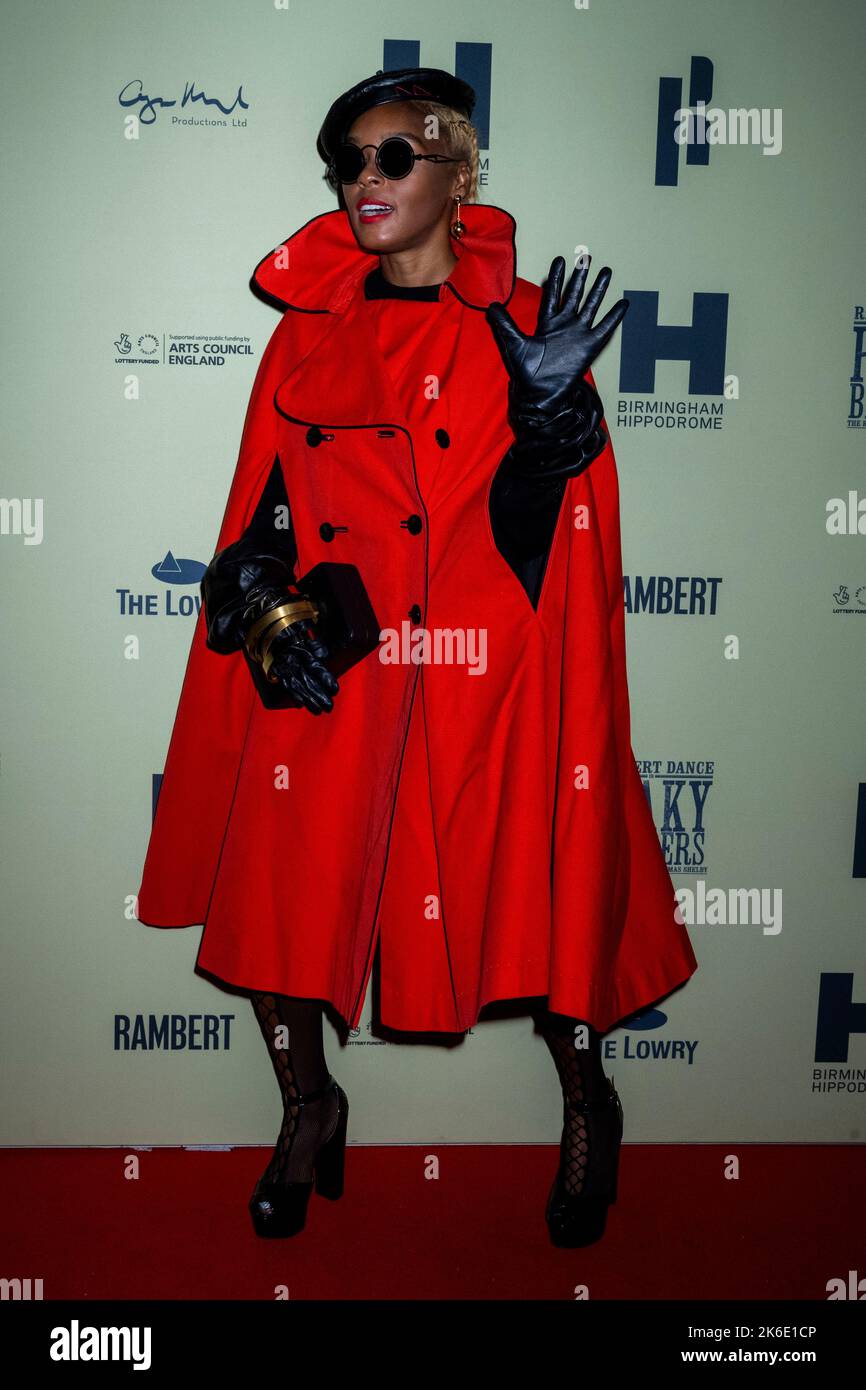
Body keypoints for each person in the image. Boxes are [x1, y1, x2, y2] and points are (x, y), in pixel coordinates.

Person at [135, 67, 699, 1248]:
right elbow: (260, 526)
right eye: (348, 159)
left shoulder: (529, 324)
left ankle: (588, 1102)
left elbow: (547, 539)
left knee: (551, 894)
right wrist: (266, 616)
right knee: (274, 904)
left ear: (459, 171)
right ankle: (308, 1109)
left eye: (395, 155)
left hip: (489, 679)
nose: (363, 180)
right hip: (340, 674)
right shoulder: (309, 333)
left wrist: (550, 425)